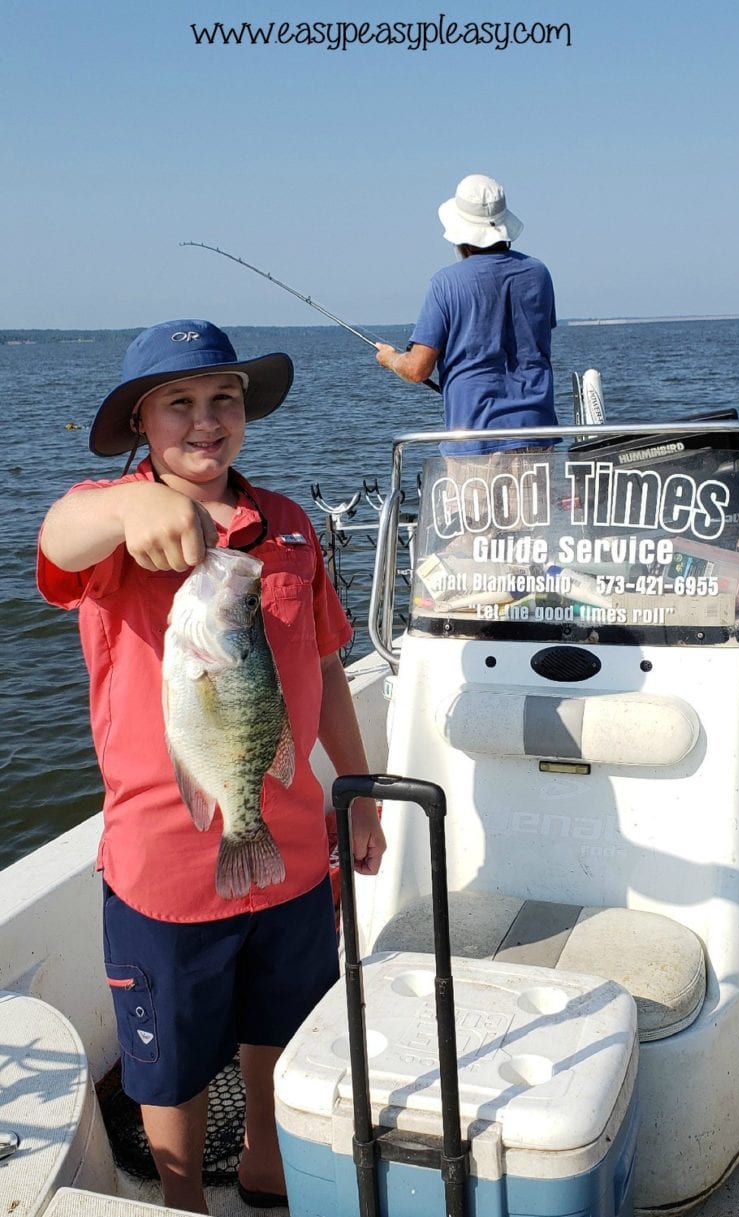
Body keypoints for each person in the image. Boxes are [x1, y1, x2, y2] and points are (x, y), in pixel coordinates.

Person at [37, 319, 386, 1214]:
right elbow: (61, 534)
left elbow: (328, 671)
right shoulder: (109, 522)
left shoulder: (293, 526)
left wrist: (358, 789)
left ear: (246, 412)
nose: (205, 420)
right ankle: (184, 1196)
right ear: (140, 427)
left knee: (287, 1018)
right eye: (178, 405)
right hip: (166, 865)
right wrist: (125, 507)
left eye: (223, 399)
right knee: (172, 1057)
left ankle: (267, 1160)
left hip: (296, 843)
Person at [375, 173, 558, 455]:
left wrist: (389, 358)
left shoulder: (446, 282)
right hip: (537, 432)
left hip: (474, 441)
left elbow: (417, 369)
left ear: (461, 234)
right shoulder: (539, 274)